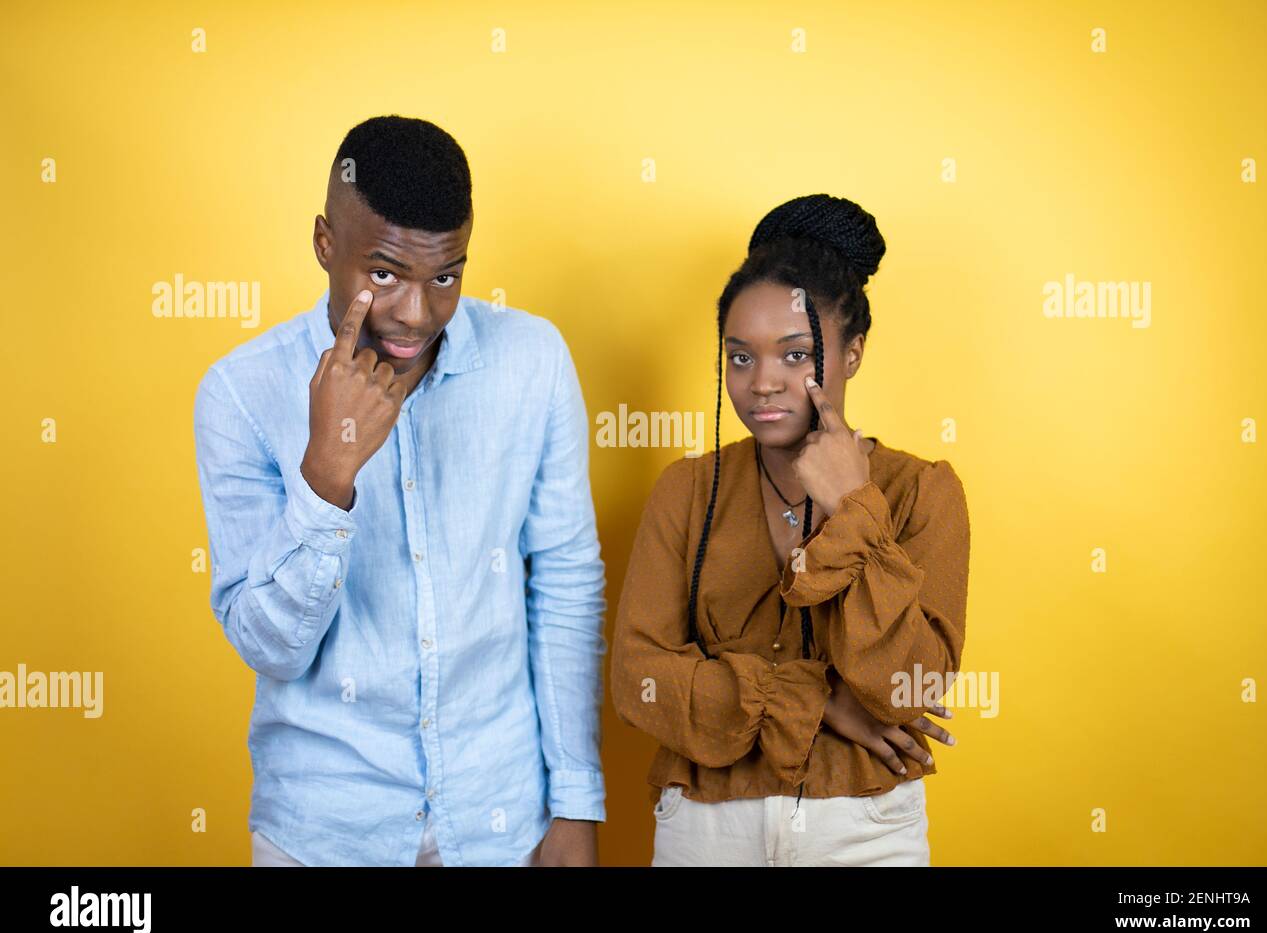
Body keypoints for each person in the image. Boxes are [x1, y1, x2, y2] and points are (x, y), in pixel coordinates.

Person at [193, 115, 606, 866]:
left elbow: (566, 584)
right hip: (323, 833)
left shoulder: (533, 361)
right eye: (383, 274)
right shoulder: (241, 392)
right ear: (325, 244)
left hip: (502, 819)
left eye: (445, 275)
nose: (417, 313)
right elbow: (270, 648)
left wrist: (576, 803)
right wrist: (326, 475)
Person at [611, 194, 971, 866]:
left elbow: (909, 689)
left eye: (795, 354)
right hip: (703, 826)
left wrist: (855, 505)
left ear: (854, 352)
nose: (763, 383)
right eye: (740, 357)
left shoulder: (920, 491)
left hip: (866, 829)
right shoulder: (685, 491)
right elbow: (640, 680)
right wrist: (818, 703)